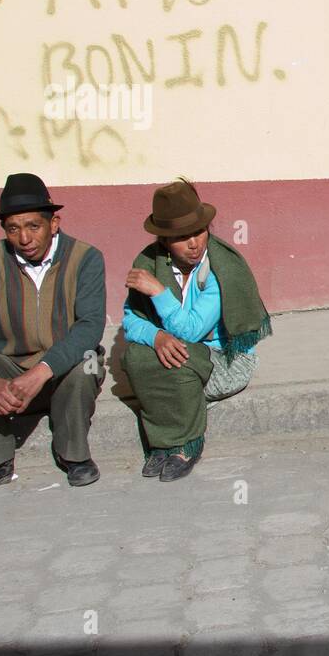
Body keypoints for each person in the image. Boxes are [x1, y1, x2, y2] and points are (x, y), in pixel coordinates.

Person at [0, 173, 107, 495]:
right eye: (13, 229)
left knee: (87, 363)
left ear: (54, 223)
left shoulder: (86, 258)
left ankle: (73, 455)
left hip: (63, 365)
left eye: (34, 226)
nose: (24, 238)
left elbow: (89, 326)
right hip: (12, 364)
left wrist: (42, 372)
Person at [121, 179, 271, 482]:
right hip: (183, 351)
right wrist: (157, 336)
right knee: (137, 357)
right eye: (181, 237)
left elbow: (189, 331)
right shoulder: (148, 262)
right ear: (163, 240)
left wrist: (159, 293)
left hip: (226, 360)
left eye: (198, 232)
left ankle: (182, 445)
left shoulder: (221, 270)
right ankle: (166, 442)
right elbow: (130, 320)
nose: (194, 243)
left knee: (174, 365)